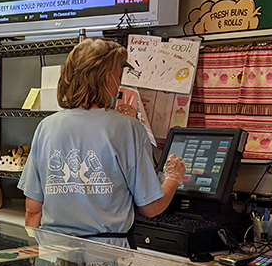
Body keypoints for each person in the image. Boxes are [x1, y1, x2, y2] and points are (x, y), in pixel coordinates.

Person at [18, 38, 186, 247]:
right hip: (107, 259)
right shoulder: (128, 129)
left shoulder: (46, 127)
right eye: (118, 75)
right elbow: (151, 207)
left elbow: (33, 209)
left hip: (54, 256)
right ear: (108, 79)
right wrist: (174, 178)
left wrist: (36, 260)